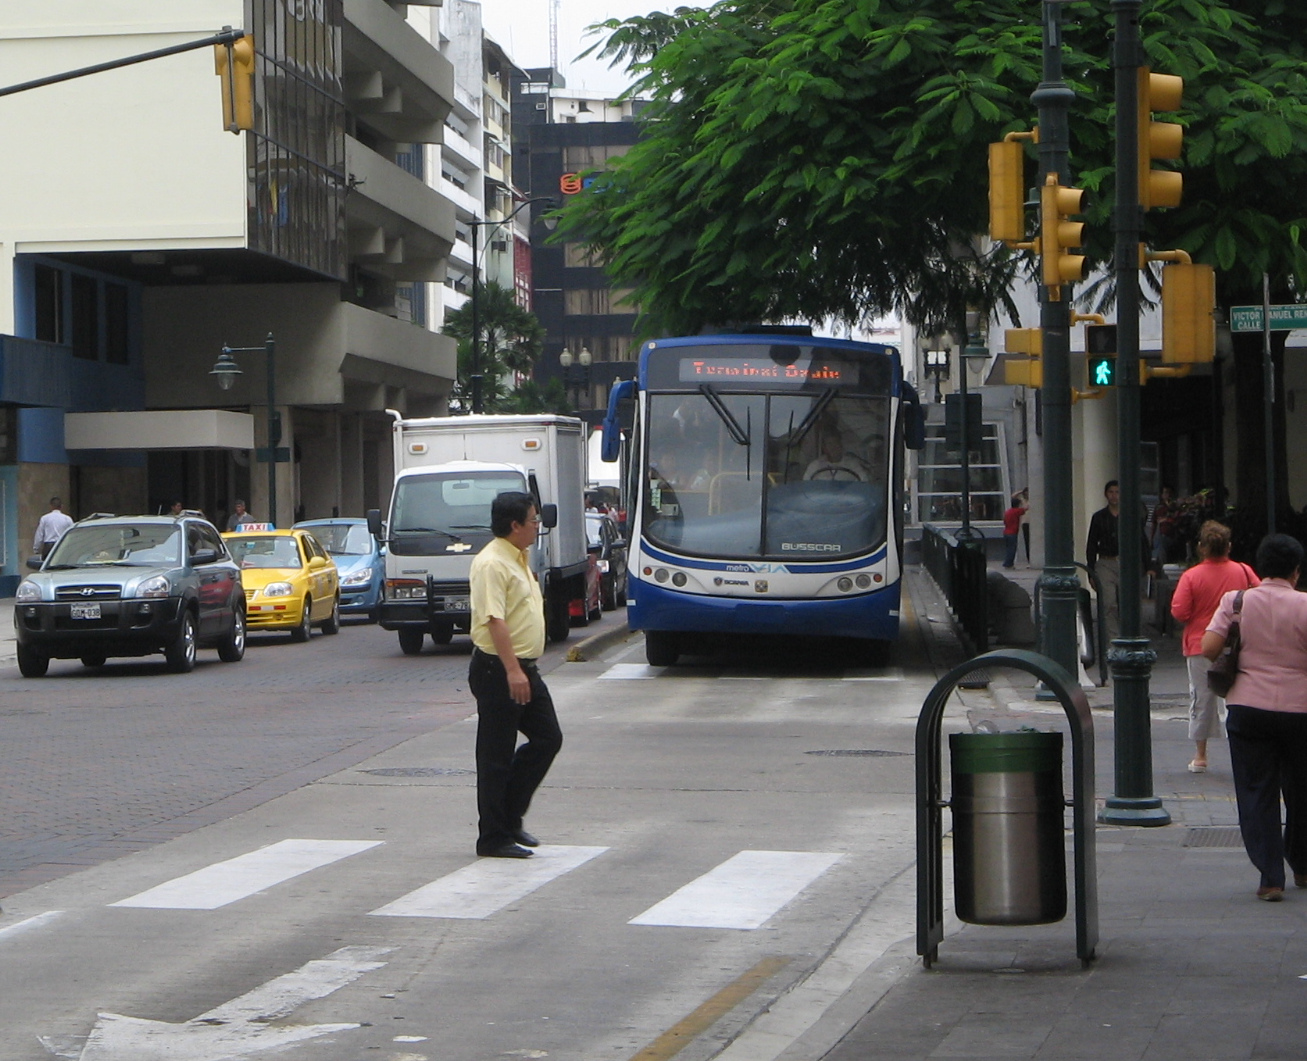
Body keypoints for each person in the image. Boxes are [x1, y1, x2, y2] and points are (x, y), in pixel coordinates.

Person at [1203, 533, 1307, 902]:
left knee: (1256, 790)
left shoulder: (1237, 601)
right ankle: (1302, 863)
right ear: (1296, 570)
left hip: (1248, 708)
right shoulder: (1306, 605)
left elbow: (1209, 648)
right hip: (1300, 710)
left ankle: (1270, 876)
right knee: (1301, 789)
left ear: (1260, 568)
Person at [467, 491, 563, 859]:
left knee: (547, 738)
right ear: (515, 525)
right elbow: (495, 620)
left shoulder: (518, 558)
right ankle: (492, 836)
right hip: (499, 669)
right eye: (533, 520)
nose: (538, 527)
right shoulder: (493, 563)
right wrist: (511, 671)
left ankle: (510, 817)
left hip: (524, 668)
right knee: (495, 754)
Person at [1170, 521, 1259, 773]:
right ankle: (1242, 750)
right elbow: (1259, 597)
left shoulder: (1191, 576)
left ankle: (1200, 755)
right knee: (1239, 696)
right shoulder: (1243, 571)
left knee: (1201, 697)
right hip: (1238, 643)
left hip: (1200, 644)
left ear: (1202, 548)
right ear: (1228, 546)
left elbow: (1180, 611)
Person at [804, 433, 868, 482]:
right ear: (824, 448)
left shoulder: (852, 464)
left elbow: (864, 481)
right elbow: (806, 486)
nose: (833, 447)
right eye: (829, 444)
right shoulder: (815, 465)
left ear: (841, 445)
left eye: (836, 443)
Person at [1001, 492, 1028, 569]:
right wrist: (1022, 499)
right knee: (1012, 549)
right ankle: (1008, 564)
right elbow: (1026, 508)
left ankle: (1008, 563)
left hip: (1006, 532)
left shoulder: (1008, 511)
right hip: (1012, 533)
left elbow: (1004, 521)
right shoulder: (1016, 511)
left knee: (1008, 548)